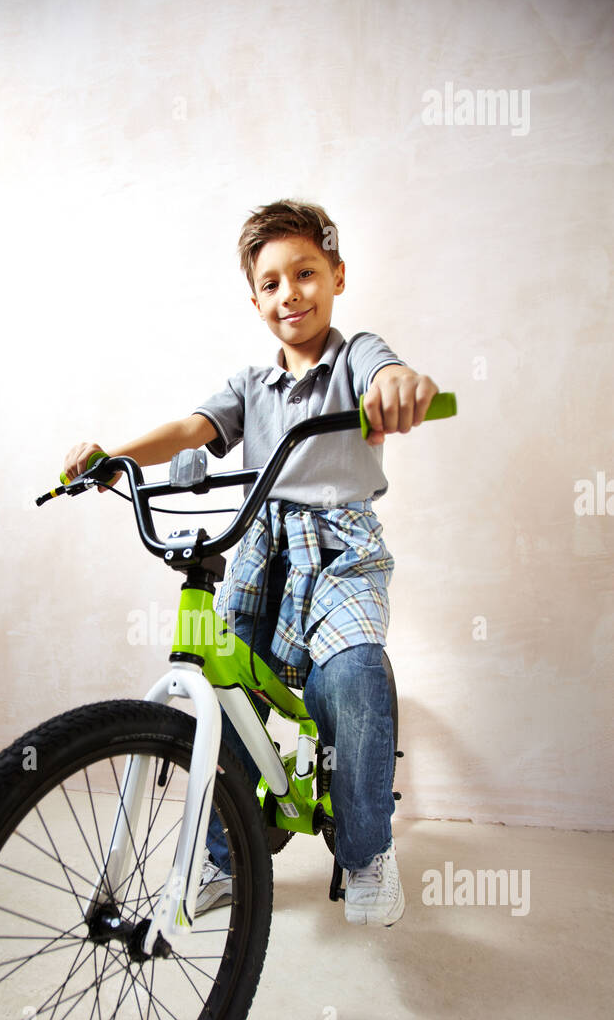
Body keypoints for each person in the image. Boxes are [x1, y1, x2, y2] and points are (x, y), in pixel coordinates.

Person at [61, 198, 439, 926]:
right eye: (270, 283)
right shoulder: (249, 386)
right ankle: (222, 858)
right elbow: (189, 430)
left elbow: (387, 372)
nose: (289, 293)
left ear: (336, 276)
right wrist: (113, 457)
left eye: (305, 273)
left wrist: (398, 386)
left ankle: (364, 852)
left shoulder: (356, 355)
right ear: (255, 298)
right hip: (261, 555)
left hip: (339, 558)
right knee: (220, 683)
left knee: (354, 677)